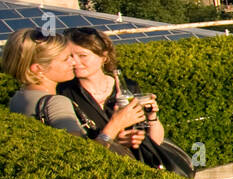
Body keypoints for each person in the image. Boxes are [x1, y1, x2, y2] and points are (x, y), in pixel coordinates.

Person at [60, 27, 188, 175]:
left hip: (138, 171)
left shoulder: (128, 88)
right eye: (69, 56)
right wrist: (114, 139)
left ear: (104, 56)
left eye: (82, 55)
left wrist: (151, 118)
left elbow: (155, 141)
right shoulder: (65, 93)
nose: (74, 62)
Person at [2, 28, 144, 147]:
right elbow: (80, 154)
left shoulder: (19, 97)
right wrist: (115, 124)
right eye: (66, 59)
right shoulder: (56, 103)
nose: (73, 62)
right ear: (38, 68)